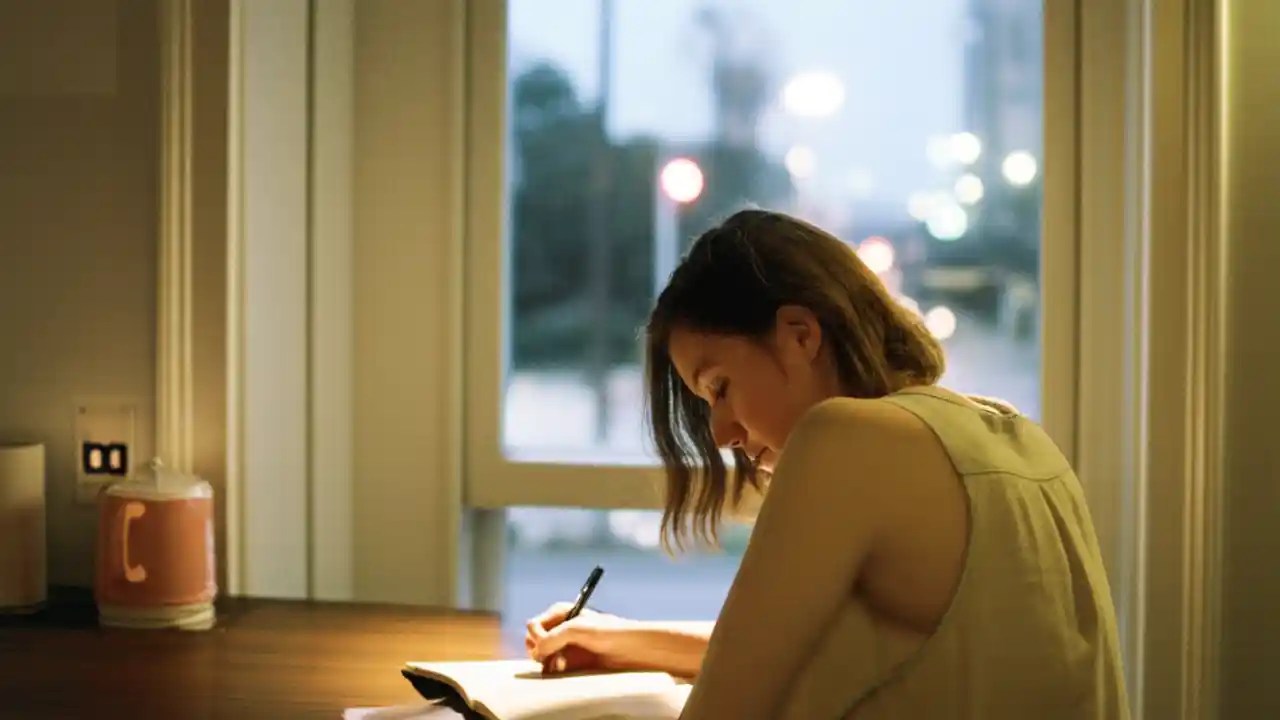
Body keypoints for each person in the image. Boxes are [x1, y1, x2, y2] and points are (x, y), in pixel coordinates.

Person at [526, 209, 1129, 718]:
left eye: (720, 387)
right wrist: (617, 641)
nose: (721, 432)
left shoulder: (845, 438)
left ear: (799, 334)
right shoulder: (1009, 434)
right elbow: (800, 648)